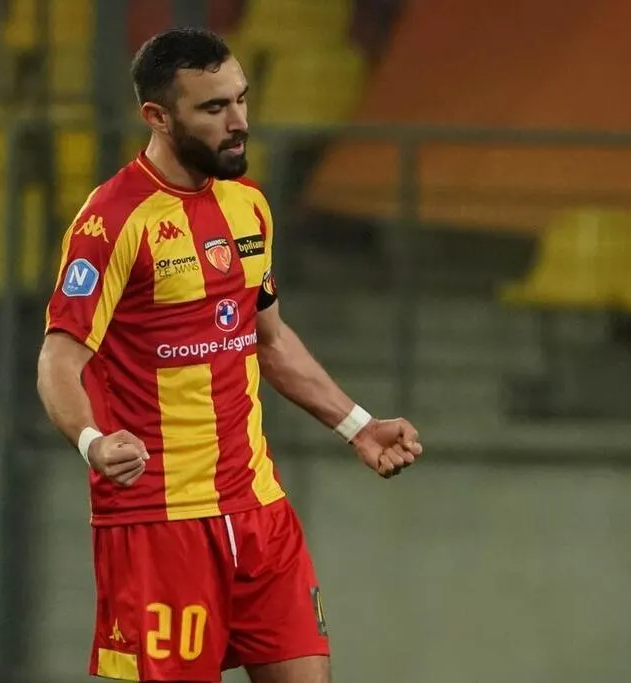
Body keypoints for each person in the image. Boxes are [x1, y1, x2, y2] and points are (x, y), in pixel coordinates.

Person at [36, 27, 424, 683]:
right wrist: (93, 441)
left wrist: (357, 424)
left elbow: (266, 338)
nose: (238, 121)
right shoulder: (112, 221)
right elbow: (58, 357)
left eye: (241, 100)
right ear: (157, 117)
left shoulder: (249, 208)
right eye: (213, 109)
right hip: (160, 522)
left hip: (259, 509)